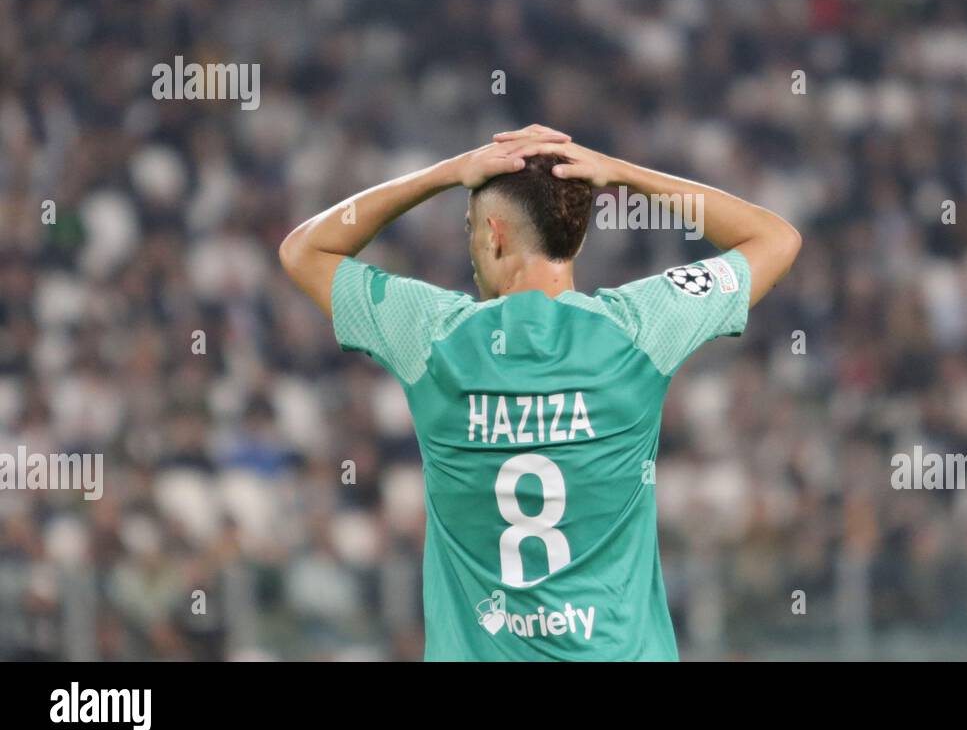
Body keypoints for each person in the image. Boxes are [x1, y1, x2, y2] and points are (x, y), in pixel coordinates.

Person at [278, 124, 801, 659]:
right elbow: (775, 239)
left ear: (495, 235)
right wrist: (620, 173)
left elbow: (305, 250)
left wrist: (445, 174)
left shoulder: (433, 337)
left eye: (471, 230)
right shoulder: (640, 329)